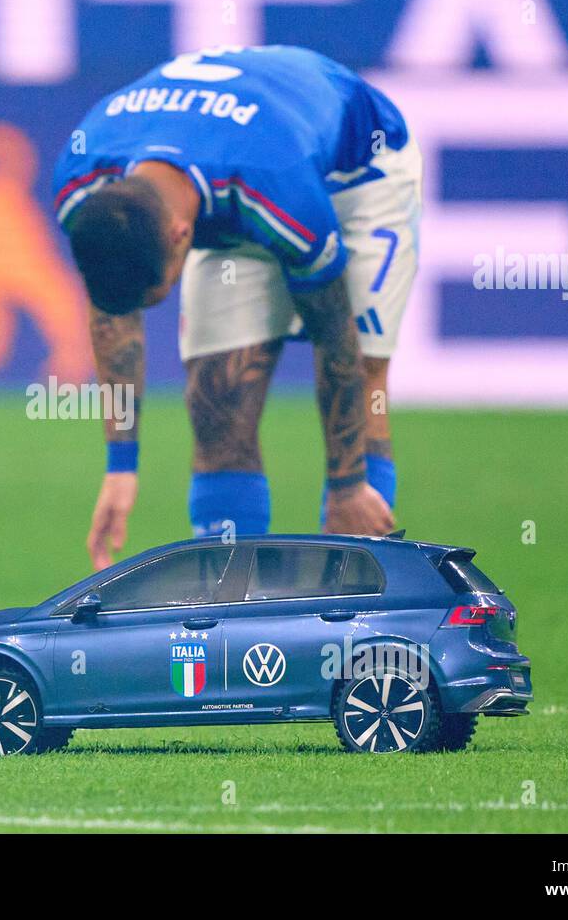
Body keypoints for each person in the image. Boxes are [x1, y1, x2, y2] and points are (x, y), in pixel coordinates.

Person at [53, 45, 421, 569]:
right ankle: (230, 613)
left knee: (363, 377)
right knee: (218, 401)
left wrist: (347, 484)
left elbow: (334, 332)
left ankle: (355, 594)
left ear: (183, 238)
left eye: (151, 296)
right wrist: (121, 465)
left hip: (355, 178)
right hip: (231, 176)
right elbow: (113, 313)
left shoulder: (280, 189)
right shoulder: (82, 180)